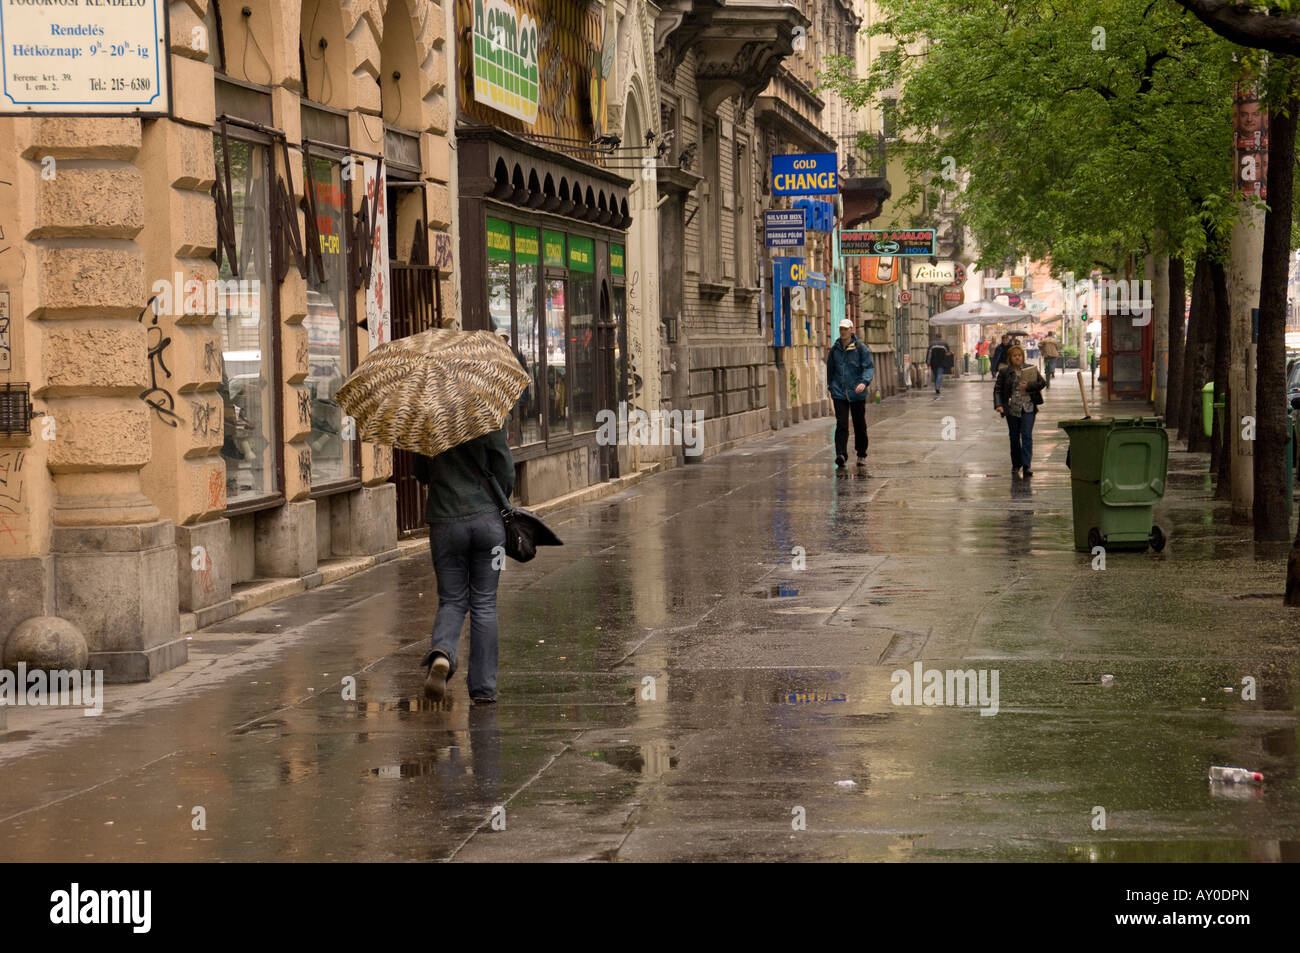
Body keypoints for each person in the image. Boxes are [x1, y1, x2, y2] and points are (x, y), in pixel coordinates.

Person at [412, 424, 515, 704]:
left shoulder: (428, 421)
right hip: (488, 523)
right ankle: (483, 688)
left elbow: (421, 474)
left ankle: (443, 653)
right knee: (484, 602)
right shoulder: (486, 416)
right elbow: (505, 469)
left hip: (445, 525)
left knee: (452, 599)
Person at [826, 317, 874, 467]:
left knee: (859, 424)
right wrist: (831, 387)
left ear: (852, 330)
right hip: (839, 392)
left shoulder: (861, 348)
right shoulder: (835, 349)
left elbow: (868, 367)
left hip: (856, 392)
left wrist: (864, 382)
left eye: (846, 329)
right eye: (841, 329)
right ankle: (841, 454)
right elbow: (830, 370)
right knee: (841, 424)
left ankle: (861, 454)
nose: (843, 332)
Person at [994, 344, 1046, 478]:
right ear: (1010, 358)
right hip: (1012, 409)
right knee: (1014, 437)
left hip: (1028, 407)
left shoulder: (1030, 369)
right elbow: (998, 389)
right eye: (1015, 356)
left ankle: (1027, 465)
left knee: (1027, 435)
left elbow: (1042, 383)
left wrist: (1029, 386)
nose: (1017, 358)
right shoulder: (1005, 372)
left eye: (1019, 355)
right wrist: (999, 405)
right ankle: (1016, 464)